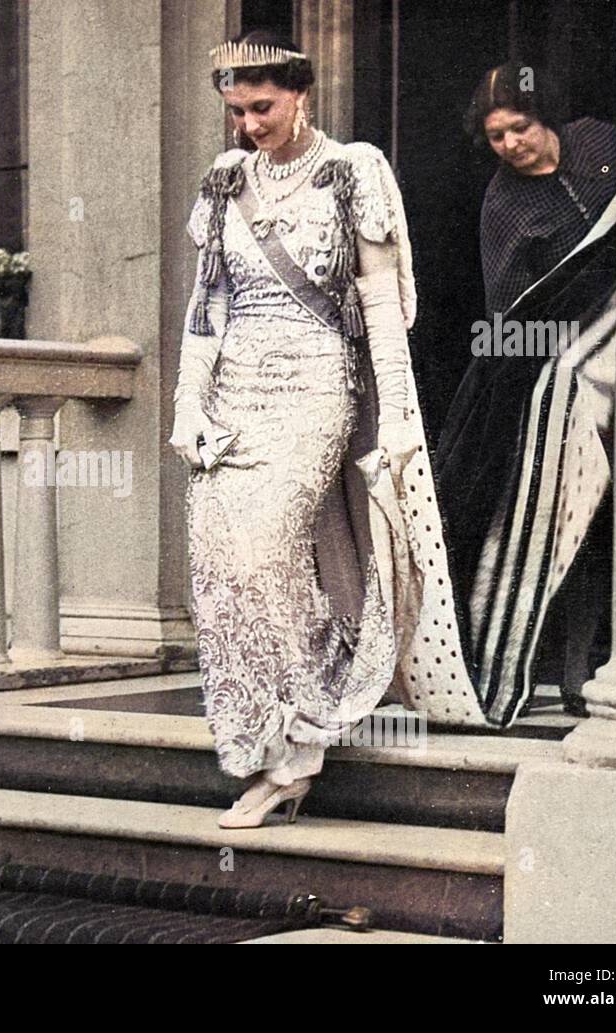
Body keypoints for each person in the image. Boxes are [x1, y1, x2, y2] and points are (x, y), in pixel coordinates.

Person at [169, 32, 426, 828]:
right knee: (219, 563)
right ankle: (274, 747)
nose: (249, 124)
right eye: (237, 111)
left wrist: (399, 418)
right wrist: (187, 404)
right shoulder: (223, 180)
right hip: (235, 386)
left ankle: (304, 745)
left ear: (301, 94)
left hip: (316, 384)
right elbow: (208, 305)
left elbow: (380, 310)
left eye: (263, 107)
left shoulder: (354, 169)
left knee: (263, 551)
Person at [428, 64, 616, 722]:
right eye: (497, 136)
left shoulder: (601, 144)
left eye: (520, 127)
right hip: (575, 363)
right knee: (583, 506)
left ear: (549, 118)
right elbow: (514, 313)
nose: (510, 144)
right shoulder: (504, 206)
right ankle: (573, 665)